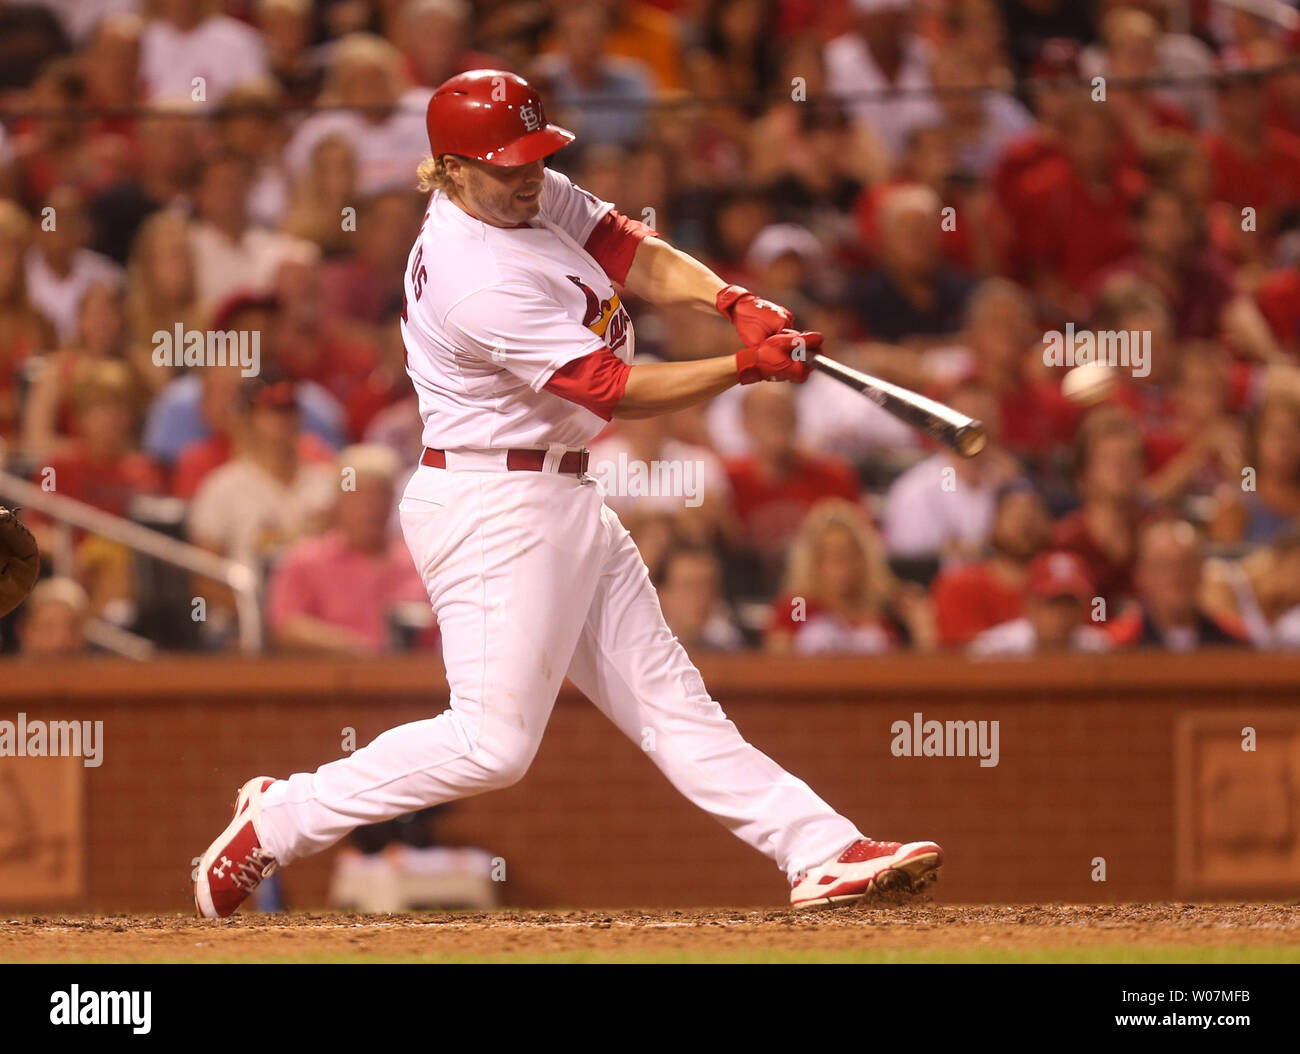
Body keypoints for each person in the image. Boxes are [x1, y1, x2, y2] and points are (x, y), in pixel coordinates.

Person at [194, 70, 942, 918]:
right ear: (449, 167)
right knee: (492, 746)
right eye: (505, 164)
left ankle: (821, 849)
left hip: (559, 491)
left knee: (672, 703)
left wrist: (730, 300)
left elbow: (627, 247)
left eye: (534, 157)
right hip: (493, 504)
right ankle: (280, 820)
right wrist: (743, 368)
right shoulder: (472, 272)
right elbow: (609, 387)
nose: (528, 177)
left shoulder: (522, 190)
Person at [968, 550, 1111, 657]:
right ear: (1030, 606)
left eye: (1070, 603)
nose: (1062, 614)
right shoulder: (995, 649)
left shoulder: (1098, 648)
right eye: (1053, 603)